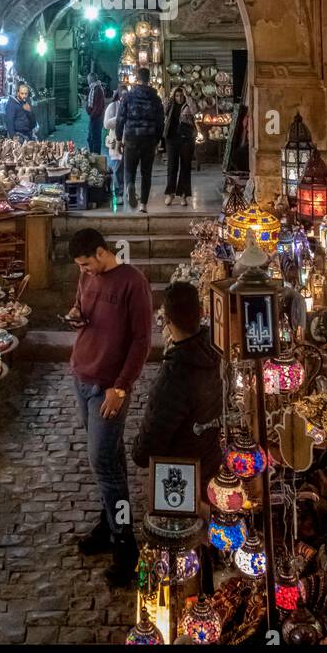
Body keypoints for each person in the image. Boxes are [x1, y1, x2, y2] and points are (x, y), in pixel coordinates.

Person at [67, 227, 153, 586]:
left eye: (88, 264)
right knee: (110, 459)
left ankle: (124, 544)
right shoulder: (86, 277)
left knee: (104, 463)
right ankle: (108, 524)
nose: (84, 271)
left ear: (102, 253)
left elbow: (142, 340)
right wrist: (75, 314)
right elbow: (81, 306)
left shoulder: (133, 283)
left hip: (108, 388)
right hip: (81, 376)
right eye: (80, 266)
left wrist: (121, 387)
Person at [132, 281, 223, 497]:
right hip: (213, 461)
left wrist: (137, 448)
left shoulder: (174, 377)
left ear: (168, 322)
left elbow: (147, 450)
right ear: (201, 313)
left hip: (181, 478)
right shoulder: (217, 351)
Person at [115, 67, 164, 212]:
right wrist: (158, 140)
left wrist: (118, 139)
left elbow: (120, 119)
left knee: (129, 169)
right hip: (149, 139)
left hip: (131, 138)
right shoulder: (155, 98)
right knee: (146, 172)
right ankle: (143, 205)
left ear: (137, 78)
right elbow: (160, 121)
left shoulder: (128, 97)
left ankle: (130, 184)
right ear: (149, 79)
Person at [163, 86, 198, 206]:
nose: (179, 98)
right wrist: (168, 98)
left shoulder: (189, 104)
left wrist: (188, 97)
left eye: (181, 95)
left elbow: (195, 111)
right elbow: (163, 111)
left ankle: (183, 195)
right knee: (172, 166)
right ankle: (170, 193)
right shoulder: (171, 104)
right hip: (172, 139)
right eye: (177, 95)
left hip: (186, 139)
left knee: (185, 166)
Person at [103, 87, 125, 202]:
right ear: (119, 96)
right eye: (123, 95)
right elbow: (106, 124)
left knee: (128, 169)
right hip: (115, 142)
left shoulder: (131, 106)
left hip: (128, 142)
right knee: (117, 168)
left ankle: (127, 191)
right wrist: (119, 117)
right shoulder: (113, 106)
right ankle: (118, 193)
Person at [85, 71, 106, 155]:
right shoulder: (94, 88)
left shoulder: (97, 89)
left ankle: (96, 157)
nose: (87, 81)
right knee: (91, 138)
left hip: (96, 119)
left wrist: (92, 116)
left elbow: (98, 107)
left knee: (94, 139)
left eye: (88, 79)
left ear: (91, 79)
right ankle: (93, 155)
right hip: (95, 118)